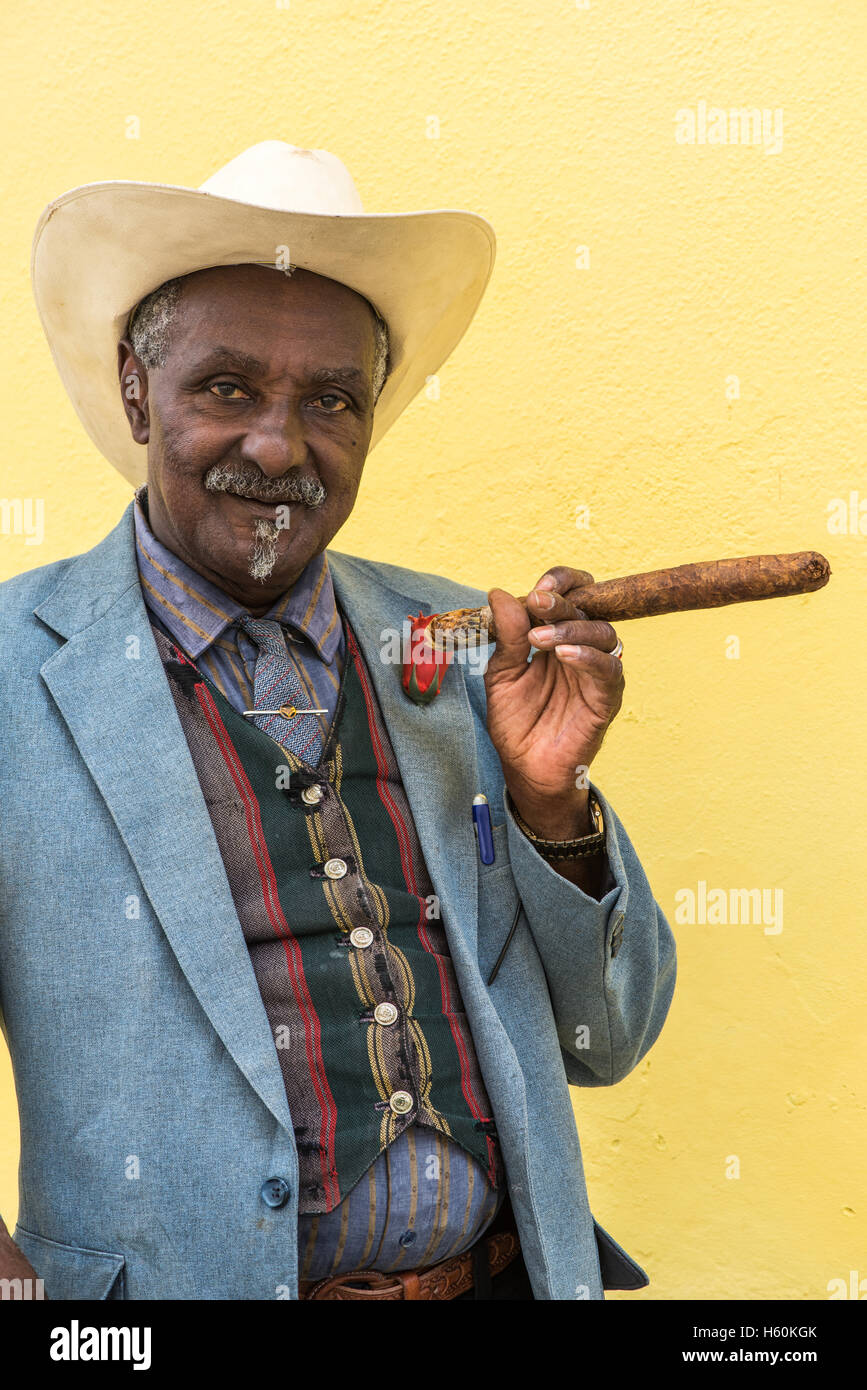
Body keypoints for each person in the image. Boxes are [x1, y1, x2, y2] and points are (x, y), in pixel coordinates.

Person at [0, 141, 676, 1300]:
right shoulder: (18, 670)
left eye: (330, 399)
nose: (280, 444)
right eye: (226, 386)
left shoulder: (461, 643)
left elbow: (603, 1044)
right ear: (133, 387)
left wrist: (547, 805)